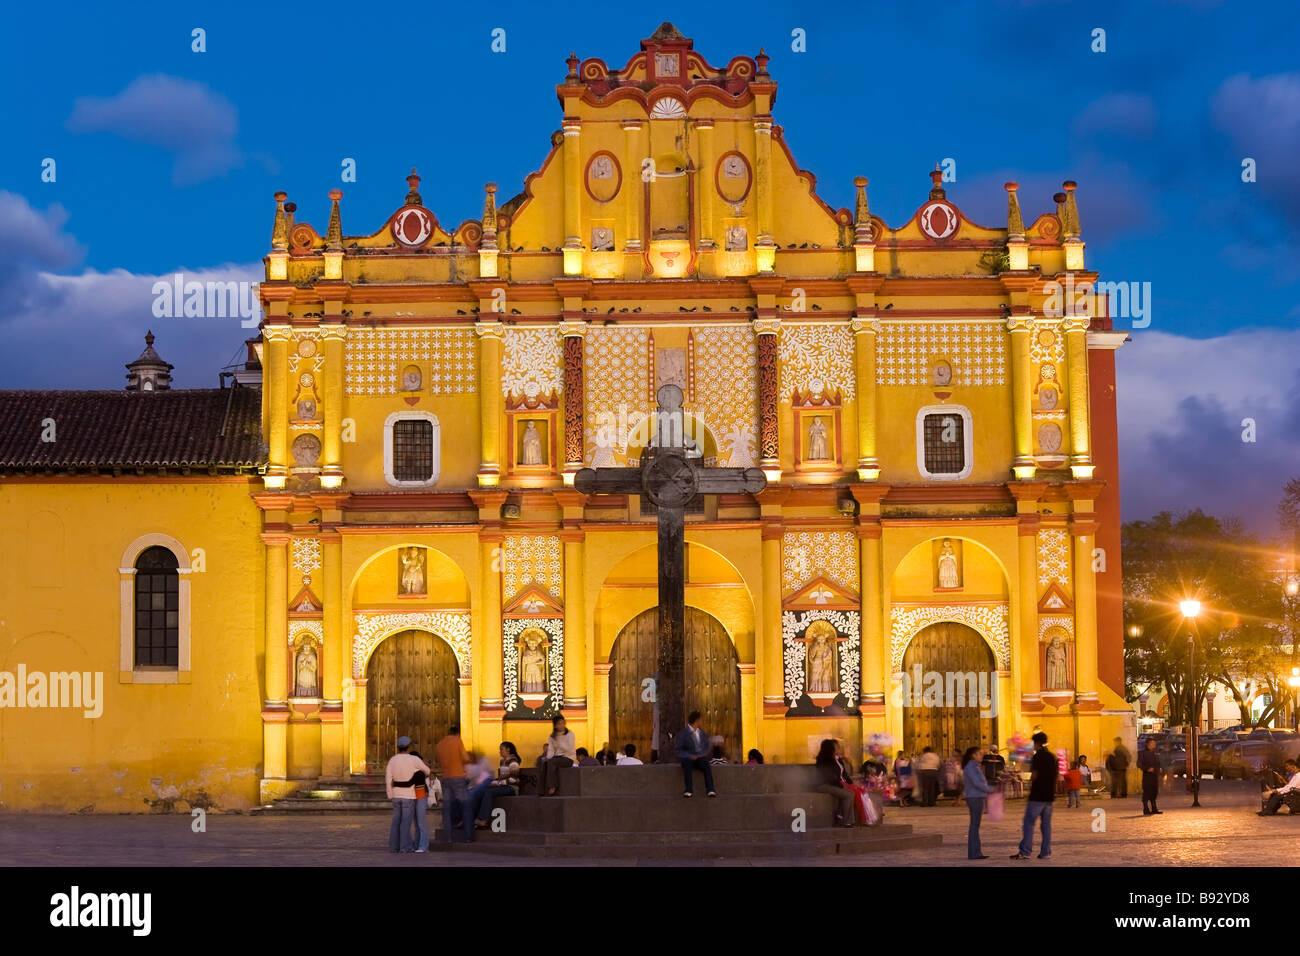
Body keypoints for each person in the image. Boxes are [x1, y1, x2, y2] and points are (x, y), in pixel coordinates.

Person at [1010, 731, 1057, 860]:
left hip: (1038, 795)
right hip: (1049, 796)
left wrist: (1031, 786)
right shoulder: (1051, 756)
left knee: (1028, 823)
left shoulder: (1038, 756)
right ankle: (1046, 852)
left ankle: (1025, 851)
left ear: (1036, 743)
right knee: (1046, 826)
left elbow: (1035, 775)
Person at [385, 736, 431, 853]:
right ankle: (404, 847)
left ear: (398, 747)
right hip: (408, 795)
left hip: (396, 795)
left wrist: (390, 794)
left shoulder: (393, 760)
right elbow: (428, 771)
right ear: (409, 747)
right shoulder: (413, 760)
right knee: (406, 822)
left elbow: (388, 779)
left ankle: (393, 846)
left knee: (395, 822)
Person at [471, 741, 521, 833]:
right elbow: (502, 777)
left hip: (512, 788)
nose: (500, 751)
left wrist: (499, 783)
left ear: (508, 749)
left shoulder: (513, 762)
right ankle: (475, 816)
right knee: (484, 790)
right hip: (504, 786)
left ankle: (483, 820)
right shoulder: (503, 761)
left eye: (501, 749)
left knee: (489, 792)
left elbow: (514, 780)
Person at [434, 724, 470, 843]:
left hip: (446, 778)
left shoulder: (439, 744)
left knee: (447, 809)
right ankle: (467, 836)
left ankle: (448, 837)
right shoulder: (457, 741)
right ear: (457, 734)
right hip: (458, 777)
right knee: (465, 806)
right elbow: (465, 758)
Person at [962, 746, 996, 859]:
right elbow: (977, 783)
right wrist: (991, 790)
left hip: (977, 796)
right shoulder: (971, 767)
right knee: (974, 826)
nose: (981, 756)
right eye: (979, 754)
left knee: (975, 825)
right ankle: (974, 853)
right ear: (973, 755)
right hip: (974, 797)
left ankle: (976, 851)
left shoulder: (975, 766)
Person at [814, 739, 857, 827]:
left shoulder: (838, 760)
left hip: (836, 784)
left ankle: (841, 816)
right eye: (836, 747)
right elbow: (829, 777)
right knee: (848, 795)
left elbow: (844, 774)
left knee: (853, 792)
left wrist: (851, 783)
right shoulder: (824, 760)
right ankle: (846, 821)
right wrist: (841, 785)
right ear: (830, 748)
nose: (839, 748)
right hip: (824, 785)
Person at [674, 710, 717, 797]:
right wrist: (689, 755)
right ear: (697, 720)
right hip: (688, 758)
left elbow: (706, 747)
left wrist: (702, 754)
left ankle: (710, 789)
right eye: (701, 720)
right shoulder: (683, 733)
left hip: (699, 758)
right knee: (687, 764)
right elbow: (678, 750)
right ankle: (688, 790)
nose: (702, 722)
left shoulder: (702, 734)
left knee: (706, 764)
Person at [539, 715, 577, 795]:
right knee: (545, 763)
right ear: (555, 725)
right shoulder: (552, 736)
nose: (561, 725)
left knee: (552, 763)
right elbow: (551, 749)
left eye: (563, 723)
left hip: (568, 757)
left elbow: (569, 748)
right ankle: (542, 790)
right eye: (559, 724)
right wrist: (547, 758)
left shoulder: (570, 734)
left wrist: (559, 743)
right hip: (556, 757)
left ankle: (552, 786)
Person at [407, 749, 431, 852]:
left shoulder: (420, 771)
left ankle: (423, 846)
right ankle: (417, 845)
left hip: (420, 796)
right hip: (414, 796)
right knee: (416, 823)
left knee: (421, 823)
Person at [1137, 738, 1162, 815]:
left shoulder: (1155, 753)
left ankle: (1154, 808)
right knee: (1147, 791)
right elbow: (1139, 764)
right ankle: (1146, 808)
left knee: (1154, 791)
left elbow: (1157, 762)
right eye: (1152, 743)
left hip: (1154, 775)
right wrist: (1147, 769)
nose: (1154, 745)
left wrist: (1159, 768)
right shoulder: (1142, 753)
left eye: (1154, 743)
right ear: (1148, 744)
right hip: (1147, 776)